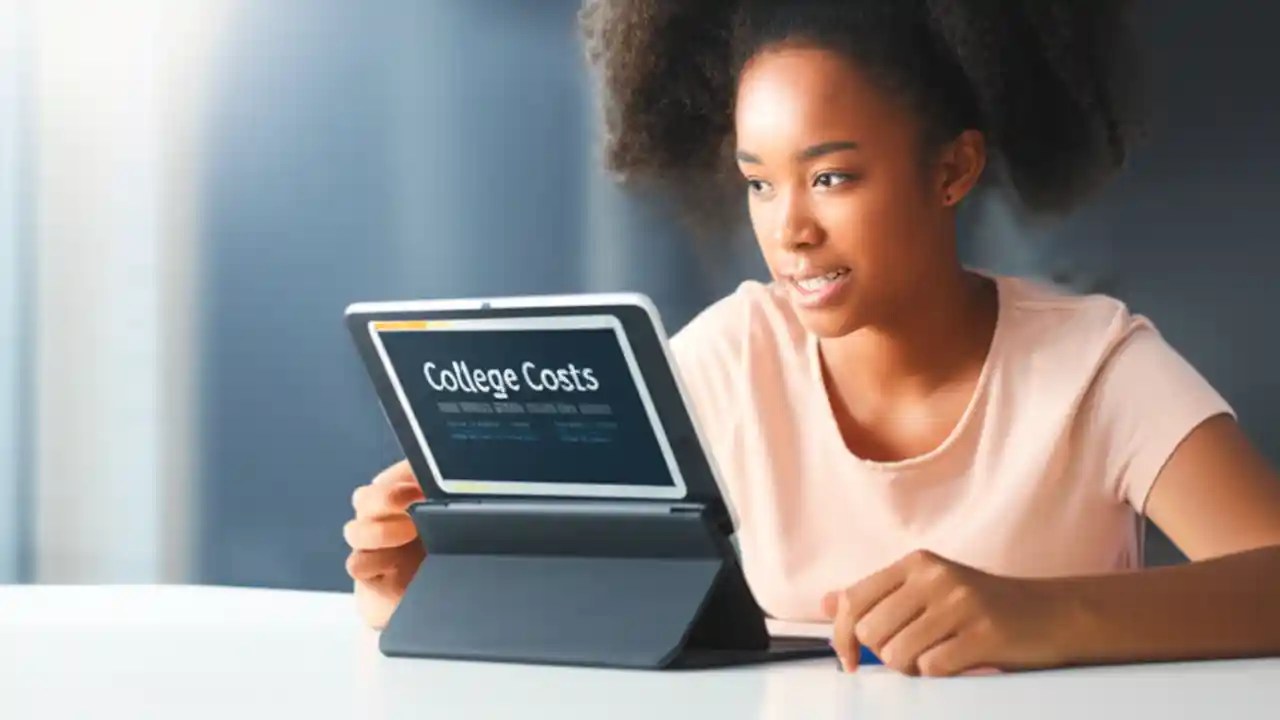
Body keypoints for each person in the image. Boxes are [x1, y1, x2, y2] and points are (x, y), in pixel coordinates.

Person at [343, 0, 1280, 676]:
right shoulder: (728, 358)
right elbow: (615, 611)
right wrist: (445, 586)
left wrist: (1039, 616)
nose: (789, 229)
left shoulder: (1095, 368)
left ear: (951, 168)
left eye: (831, 179)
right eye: (760, 182)